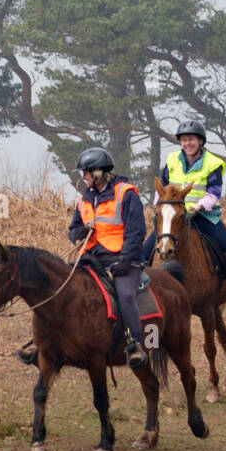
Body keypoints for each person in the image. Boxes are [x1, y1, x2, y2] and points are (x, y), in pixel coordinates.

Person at [141, 121, 226, 298]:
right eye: (184, 140)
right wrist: (160, 205)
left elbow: (214, 192)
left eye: (191, 139)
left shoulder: (212, 163)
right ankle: (139, 282)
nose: (188, 143)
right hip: (174, 215)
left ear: (200, 141)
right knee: (147, 246)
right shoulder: (172, 160)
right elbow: (162, 187)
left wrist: (200, 205)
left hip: (203, 214)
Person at [69, 147, 149, 368]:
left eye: (84, 173)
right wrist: (78, 234)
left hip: (123, 260)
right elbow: (73, 229)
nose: (82, 178)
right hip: (91, 259)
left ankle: (135, 345)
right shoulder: (83, 199)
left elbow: (136, 231)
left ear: (96, 173)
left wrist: (125, 260)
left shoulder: (126, 193)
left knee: (125, 296)